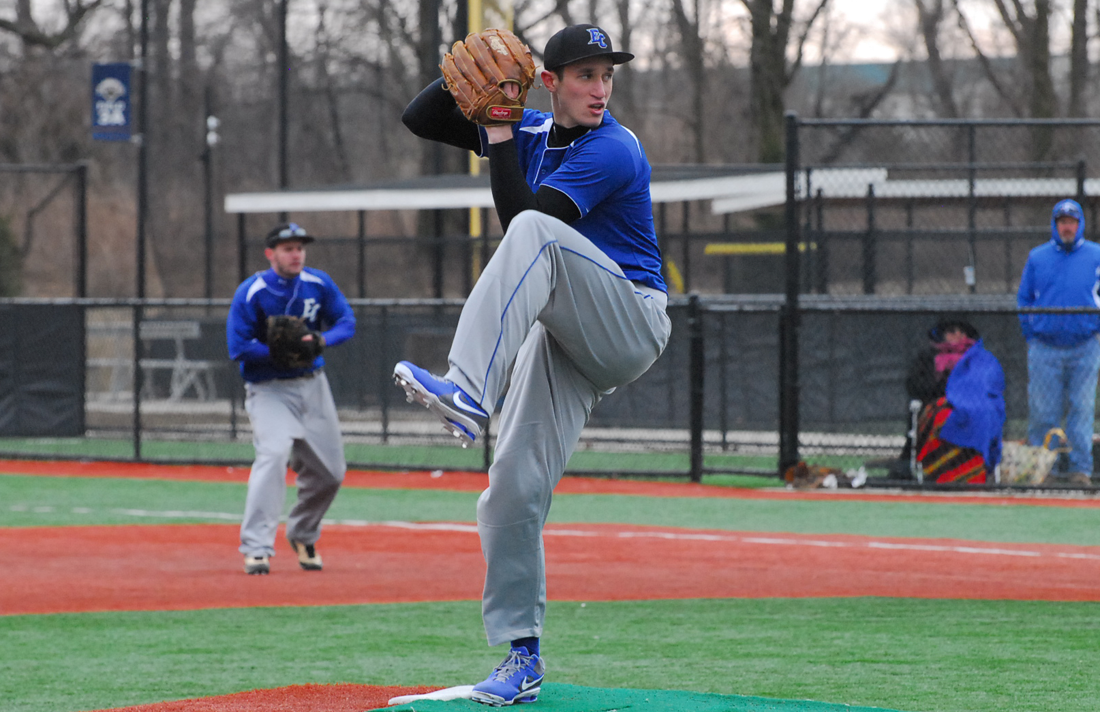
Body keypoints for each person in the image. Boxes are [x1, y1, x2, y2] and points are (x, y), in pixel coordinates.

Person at [396, 23, 671, 706]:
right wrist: (492, 68)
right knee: (511, 491)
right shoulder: (533, 130)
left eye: (606, 75)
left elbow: (523, 216)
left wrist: (494, 131)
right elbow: (421, 117)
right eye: (583, 75)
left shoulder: (613, 147)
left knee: (535, 233)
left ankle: (465, 387)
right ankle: (523, 658)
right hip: (567, 333)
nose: (599, 88)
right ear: (549, 82)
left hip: (630, 318)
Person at [227, 222, 356, 574]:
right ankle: (256, 548)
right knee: (272, 456)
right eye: (288, 248)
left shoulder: (318, 283)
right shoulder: (252, 292)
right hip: (269, 389)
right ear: (271, 254)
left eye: (300, 247)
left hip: (313, 385)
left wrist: (321, 341)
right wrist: (275, 351)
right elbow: (238, 347)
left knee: (331, 473)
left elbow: (346, 321)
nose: (296, 253)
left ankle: (302, 532)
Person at [1018, 199, 1100, 487]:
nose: (1067, 226)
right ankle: (1042, 470)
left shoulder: (1096, 256)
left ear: (1080, 225)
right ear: (1055, 225)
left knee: (1082, 409)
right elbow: (1024, 298)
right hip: (1045, 348)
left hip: (1085, 346)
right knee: (1043, 412)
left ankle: (1080, 471)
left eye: (1072, 221)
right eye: (1062, 221)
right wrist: (1032, 334)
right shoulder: (1038, 257)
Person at [909, 320, 1006, 484]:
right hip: (940, 405)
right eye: (952, 331)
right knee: (942, 417)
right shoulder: (928, 358)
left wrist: (968, 399)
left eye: (963, 331)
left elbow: (990, 383)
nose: (958, 335)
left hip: (975, 406)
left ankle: (972, 474)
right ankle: (941, 472)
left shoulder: (980, 358)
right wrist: (949, 391)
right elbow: (917, 386)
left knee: (982, 418)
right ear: (942, 334)